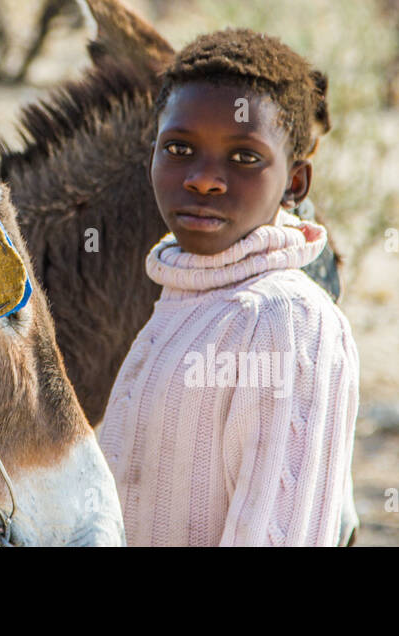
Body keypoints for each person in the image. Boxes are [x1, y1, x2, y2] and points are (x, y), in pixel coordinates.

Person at [97, 28, 360, 545]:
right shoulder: (184, 298)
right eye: (179, 148)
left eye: (243, 157)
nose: (203, 179)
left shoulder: (287, 319)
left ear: (295, 183)